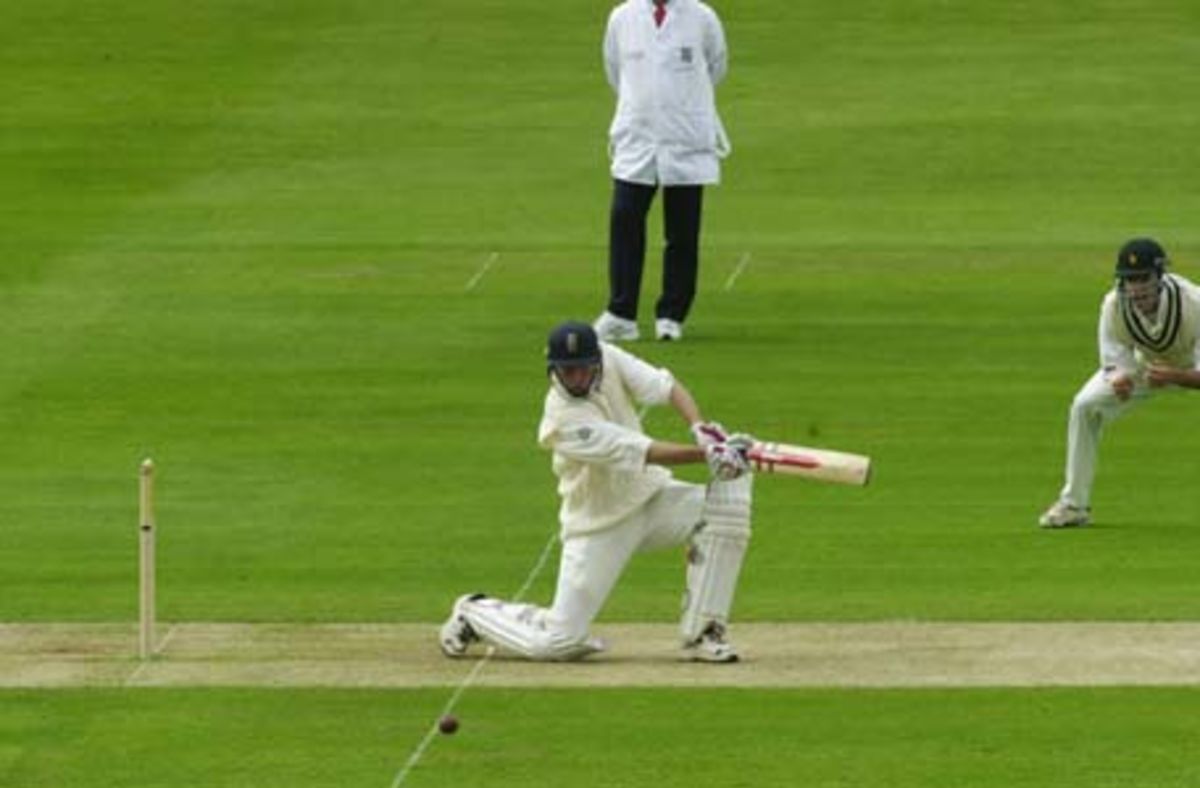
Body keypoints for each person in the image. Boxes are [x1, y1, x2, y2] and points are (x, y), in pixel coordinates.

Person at [440, 320, 755, 662]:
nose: (576, 377)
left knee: (730, 496)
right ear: (553, 370)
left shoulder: (607, 356)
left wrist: (700, 428)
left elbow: (666, 387)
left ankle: (703, 633)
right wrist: (708, 455)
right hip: (600, 524)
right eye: (567, 371)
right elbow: (642, 450)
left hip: (651, 496)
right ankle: (473, 612)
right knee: (559, 643)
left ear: (596, 362)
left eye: (583, 369)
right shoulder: (562, 420)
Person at [592, 0, 730, 343]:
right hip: (637, 137)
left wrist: (680, 103)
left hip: (685, 138)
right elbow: (615, 71)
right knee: (625, 218)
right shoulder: (622, 18)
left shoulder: (702, 17)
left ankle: (671, 315)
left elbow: (716, 67)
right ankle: (621, 313)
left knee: (682, 231)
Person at [1040, 238, 1200, 528]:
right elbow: (1114, 360)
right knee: (1084, 405)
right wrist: (1119, 380)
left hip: (1189, 366)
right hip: (1147, 368)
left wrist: (1175, 376)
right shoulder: (1113, 305)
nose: (1136, 289)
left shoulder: (1195, 303)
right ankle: (1074, 505)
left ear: (1160, 278)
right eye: (1129, 280)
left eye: (1143, 279)